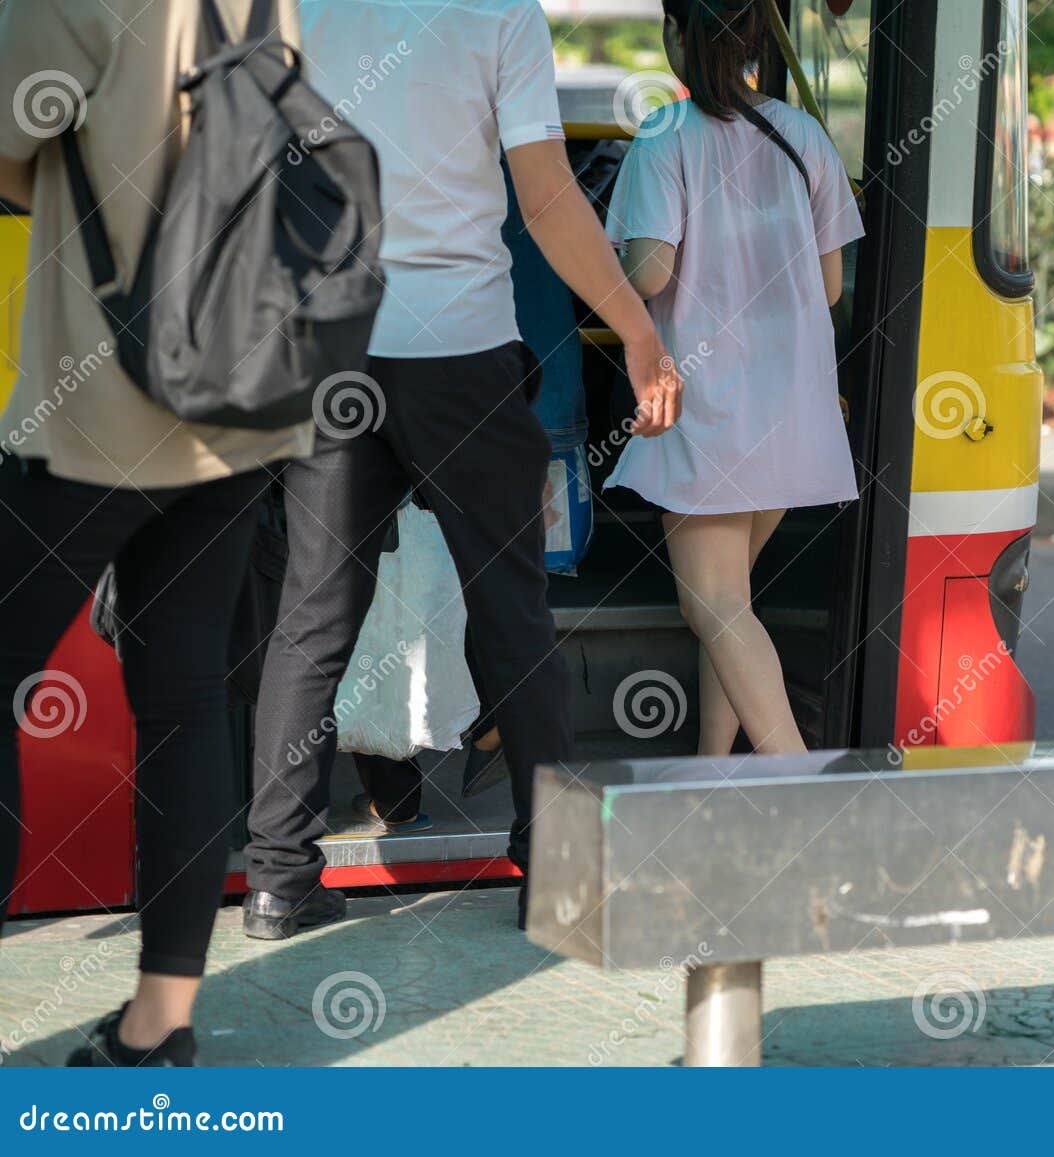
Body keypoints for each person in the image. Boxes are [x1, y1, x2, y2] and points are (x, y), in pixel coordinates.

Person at [241, 0, 681, 938]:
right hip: (461, 348)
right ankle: (553, 869)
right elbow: (548, 196)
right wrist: (638, 330)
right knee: (511, 605)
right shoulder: (498, 12)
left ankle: (277, 876)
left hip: (333, 349)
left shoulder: (295, 9)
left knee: (315, 610)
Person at [0, 1, 314, 1065]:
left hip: (97, 416)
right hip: (238, 408)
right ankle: (160, 1025)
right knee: (184, 702)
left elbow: (5, 150)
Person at [602, 0, 864, 756]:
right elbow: (831, 285)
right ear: (754, 40)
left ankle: (796, 781)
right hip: (792, 407)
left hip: (712, 409)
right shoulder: (804, 134)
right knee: (731, 605)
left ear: (676, 34)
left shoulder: (666, 135)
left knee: (715, 603)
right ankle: (714, 771)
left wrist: (601, 259)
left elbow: (651, 269)